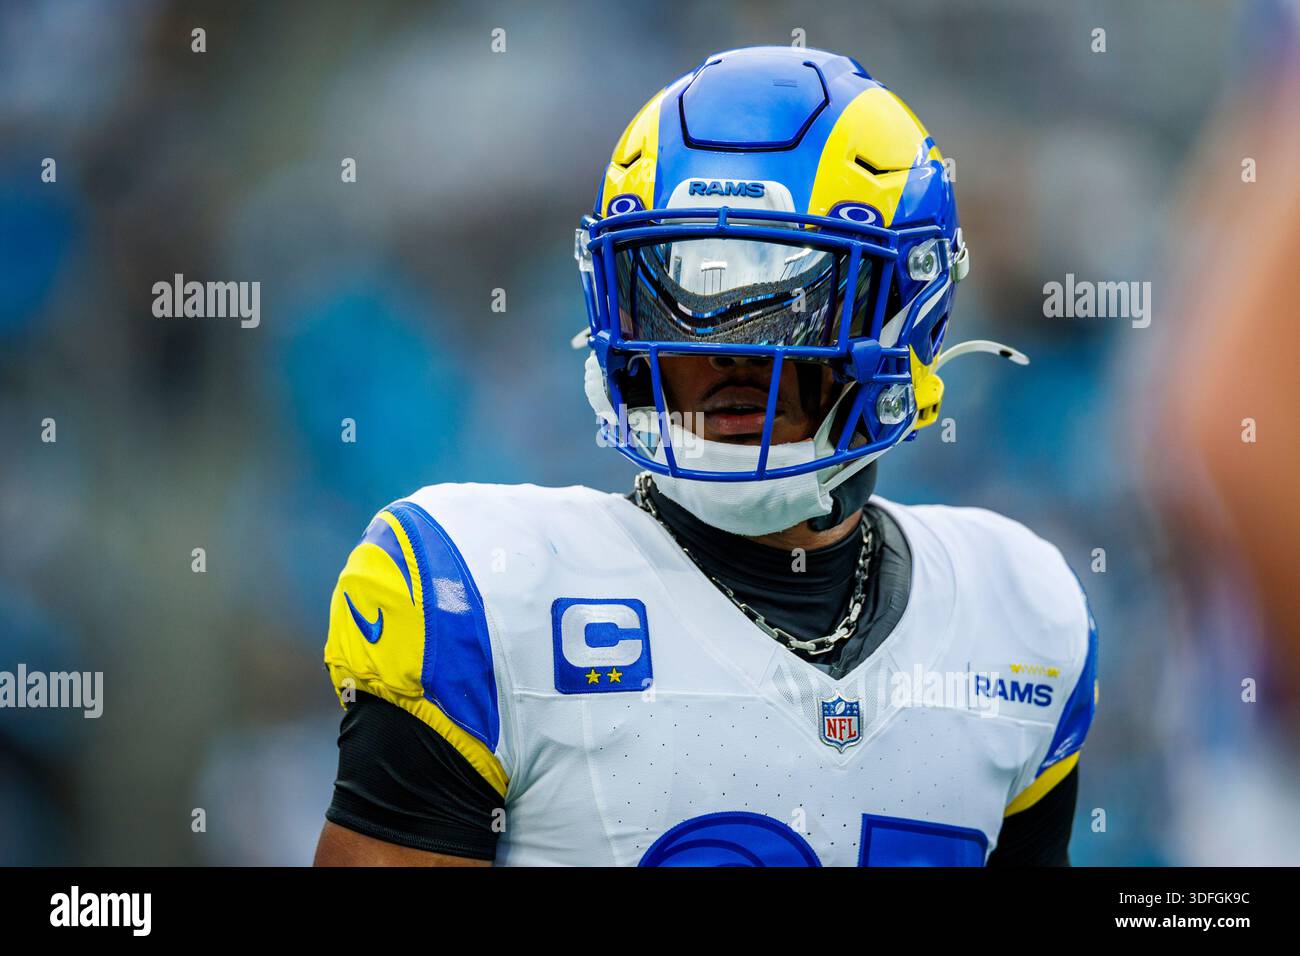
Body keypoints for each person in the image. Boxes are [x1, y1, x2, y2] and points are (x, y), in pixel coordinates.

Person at [313, 45, 1096, 867]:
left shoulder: (1018, 614)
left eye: (786, 297)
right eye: (675, 290)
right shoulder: (484, 592)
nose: (724, 350)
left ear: (907, 313)